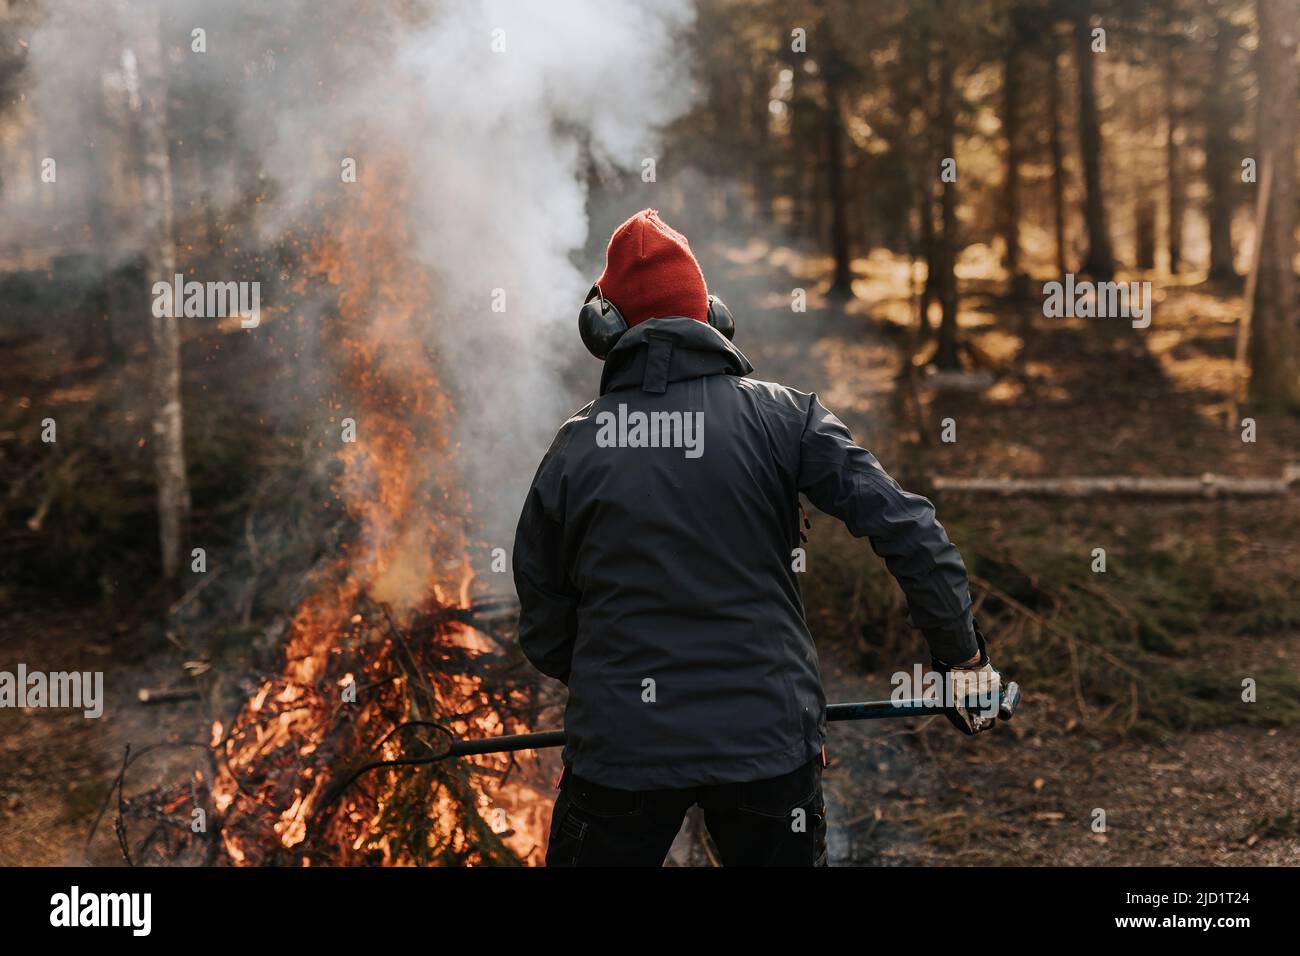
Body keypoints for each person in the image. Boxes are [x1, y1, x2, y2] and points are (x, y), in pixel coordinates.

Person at [512, 209, 1000, 867]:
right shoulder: (787, 418)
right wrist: (962, 664)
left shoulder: (576, 447)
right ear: (712, 316)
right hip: (767, 744)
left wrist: (608, 677)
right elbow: (911, 530)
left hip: (620, 754)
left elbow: (542, 617)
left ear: (606, 328)